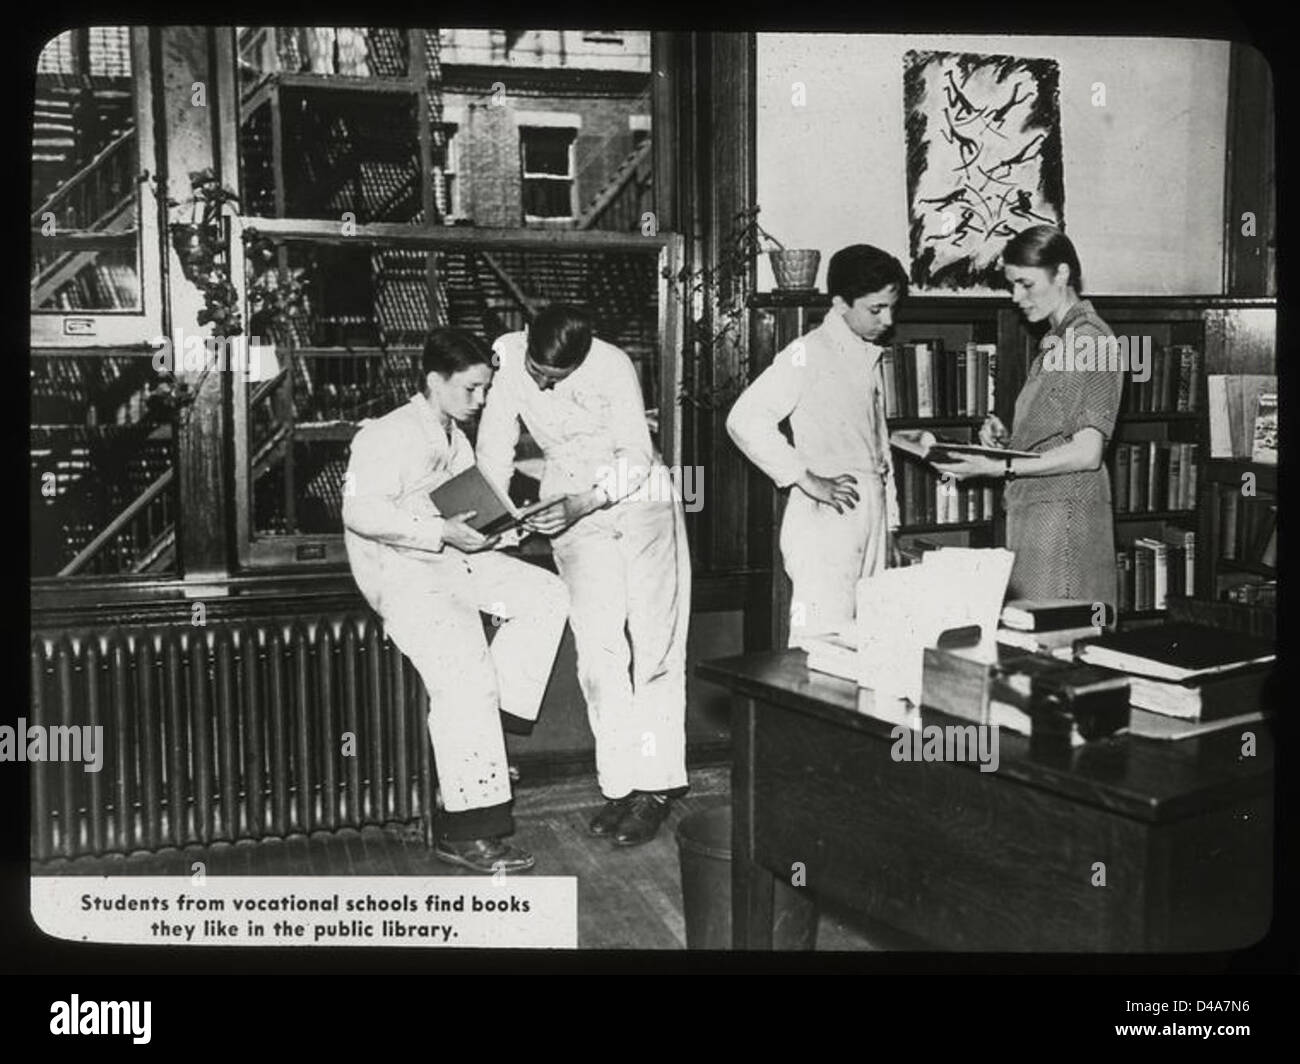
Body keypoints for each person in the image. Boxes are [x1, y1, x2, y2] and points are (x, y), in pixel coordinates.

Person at [342, 328, 569, 873]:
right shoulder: (385, 435)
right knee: (466, 670)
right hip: (405, 576)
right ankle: (468, 829)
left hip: (457, 562)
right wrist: (439, 530)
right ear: (433, 382)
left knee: (547, 593)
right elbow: (359, 513)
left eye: (486, 389)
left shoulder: (454, 437)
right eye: (471, 389)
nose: (481, 400)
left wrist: (503, 528)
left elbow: (467, 506)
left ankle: (496, 718)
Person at [476, 305, 691, 847]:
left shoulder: (614, 364)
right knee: (598, 655)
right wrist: (490, 524)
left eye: (559, 378)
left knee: (655, 650)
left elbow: (638, 453)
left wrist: (587, 501)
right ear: (525, 339)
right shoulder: (505, 362)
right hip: (571, 512)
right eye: (538, 373)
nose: (544, 386)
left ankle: (656, 788)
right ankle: (619, 787)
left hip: (638, 505)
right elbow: (495, 448)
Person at [931, 225, 1122, 612]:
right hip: (1040, 520)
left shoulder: (1091, 340)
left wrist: (998, 467)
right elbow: (1054, 435)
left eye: (1025, 284)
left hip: (1064, 526)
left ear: (1063, 273)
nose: (1016, 297)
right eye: (1012, 285)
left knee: (1058, 645)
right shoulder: (1059, 340)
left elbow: (1088, 453)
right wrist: (1009, 444)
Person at [726, 244, 907, 648]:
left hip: (868, 511)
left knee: (870, 637)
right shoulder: (806, 353)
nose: (888, 320)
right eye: (876, 309)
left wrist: (890, 526)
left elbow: (880, 451)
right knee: (823, 639)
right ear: (840, 303)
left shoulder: (865, 355)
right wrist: (805, 479)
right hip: (827, 517)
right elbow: (744, 419)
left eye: (892, 308)